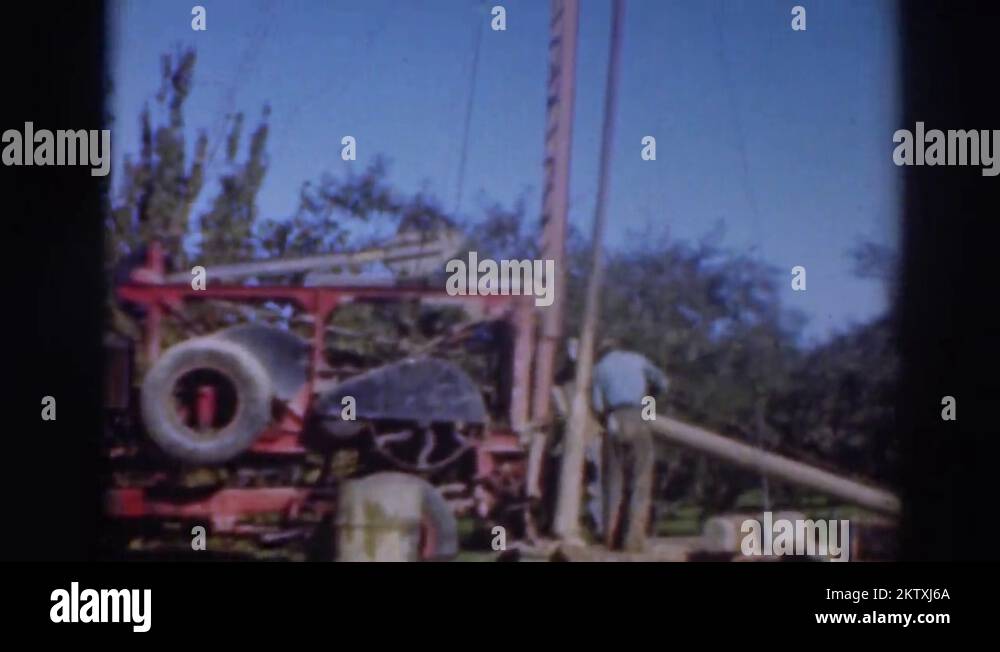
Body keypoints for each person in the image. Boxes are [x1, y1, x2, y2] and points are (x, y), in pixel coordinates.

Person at [591, 339, 669, 552]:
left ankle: (609, 538)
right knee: (640, 480)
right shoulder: (638, 360)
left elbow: (597, 405)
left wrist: (607, 419)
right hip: (637, 416)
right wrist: (650, 401)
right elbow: (663, 383)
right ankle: (633, 541)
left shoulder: (599, 369)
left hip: (613, 419)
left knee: (612, 481)